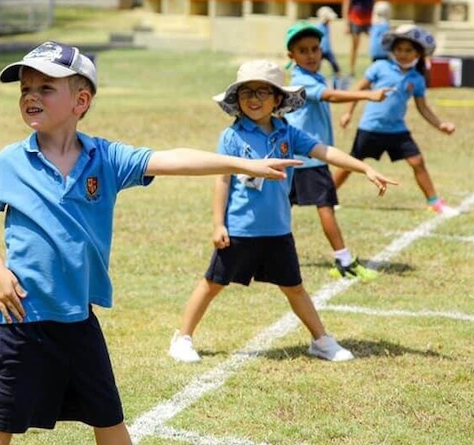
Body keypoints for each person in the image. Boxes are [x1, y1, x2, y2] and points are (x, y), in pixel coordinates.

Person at [0, 41, 304, 445]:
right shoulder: (8, 162)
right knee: (2, 422)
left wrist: (243, 164)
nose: (31, 96)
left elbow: (174, 159)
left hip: (78, 319)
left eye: (45, 88)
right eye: (25, 89)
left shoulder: (106, 158)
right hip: (21, 319)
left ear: (81, 101)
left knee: (108, 417)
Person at [168, 59, 397, 364]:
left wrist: (364, 168)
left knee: (294, 288)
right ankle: (182, 338)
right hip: (239, 229)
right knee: (213, 283)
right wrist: (218, 224)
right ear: (237, 98)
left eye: (263, 92)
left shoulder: (288, 134)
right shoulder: (231, 137)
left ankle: (321, 341)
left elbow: (325, 151)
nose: (254, 99)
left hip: (278, 230)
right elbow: (221, 180)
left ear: (278, 99)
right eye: (246, 92)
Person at [284, 21, 390, 280]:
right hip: (309, 159)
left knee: (282, 207)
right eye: (303, 51)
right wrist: (366, 95)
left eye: (315, 49)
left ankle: (259, 252)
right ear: (291, 56)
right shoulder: (301, 81)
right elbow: (330, 96)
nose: (311, 55)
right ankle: (344, 261)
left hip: (299, 157)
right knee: (325, 206)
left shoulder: (314, 77)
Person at [332, 25, 459, 216]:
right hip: (371, 127)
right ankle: (328, 195)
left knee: (417, 161)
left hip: (397, 130)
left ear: (418, 53)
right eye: (399, 49)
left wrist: (440, 125)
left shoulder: (417, 78)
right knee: (352, 163)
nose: (403, 54)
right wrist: (347, 113)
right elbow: (358, 90)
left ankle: (434, 202)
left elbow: (423, 108)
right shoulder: (380, 67)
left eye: (408, 50)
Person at [342, 0, 378, 76]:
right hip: (356, 17)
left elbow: (374, 2)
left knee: (375, 42)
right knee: (355, 45)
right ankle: (351, 70)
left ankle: (374, 69)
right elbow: (347, 4)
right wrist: (346, 22)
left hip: (369, 18)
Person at [315, 6, 343, 85]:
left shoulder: (327, 26)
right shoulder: (318, 27)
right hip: (321, 50)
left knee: (334, 64)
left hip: (328, 50)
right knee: (317, 65)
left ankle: (339, 78)